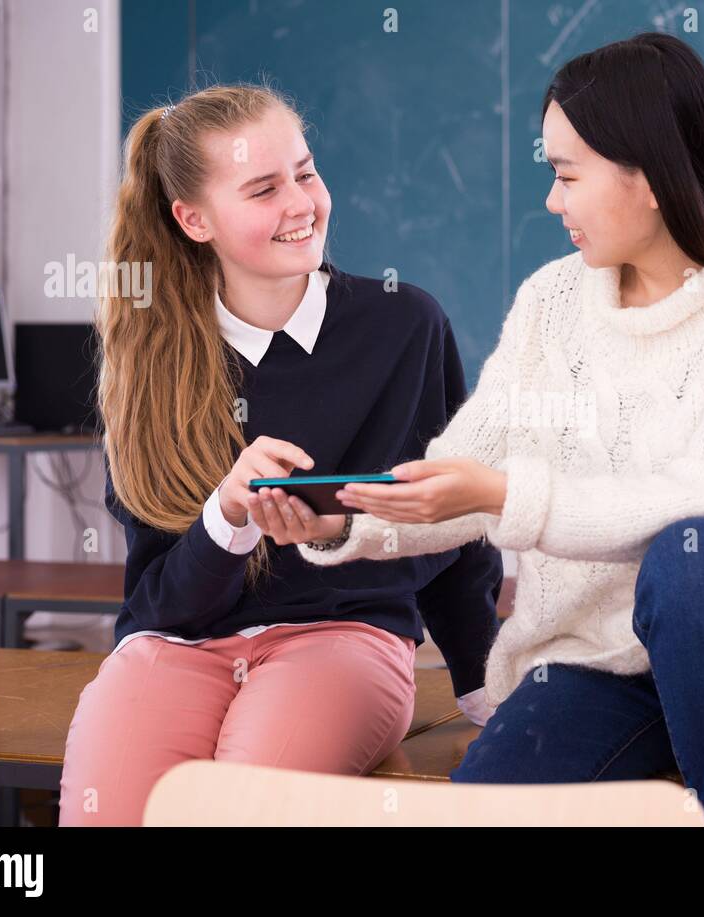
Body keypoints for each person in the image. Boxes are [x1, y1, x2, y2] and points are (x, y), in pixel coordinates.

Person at [270, 34, 704, 827]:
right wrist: (350, 517)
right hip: (600, 661)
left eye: (566, 174)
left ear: (652, 175)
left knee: (691, 555)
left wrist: (507, 494)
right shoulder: (554, 300)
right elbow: (468, 465)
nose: (553, 200)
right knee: (484, 810)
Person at [59, 85, 502, 826]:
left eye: (305, 171)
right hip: (178, 645)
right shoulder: (149, 358)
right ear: (194, 219)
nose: (301, 202)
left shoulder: (404, 324)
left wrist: (485, 682)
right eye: (264, 188)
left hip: (343, 638)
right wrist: (227, 517)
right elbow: (159, 600)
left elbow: (453, 532)